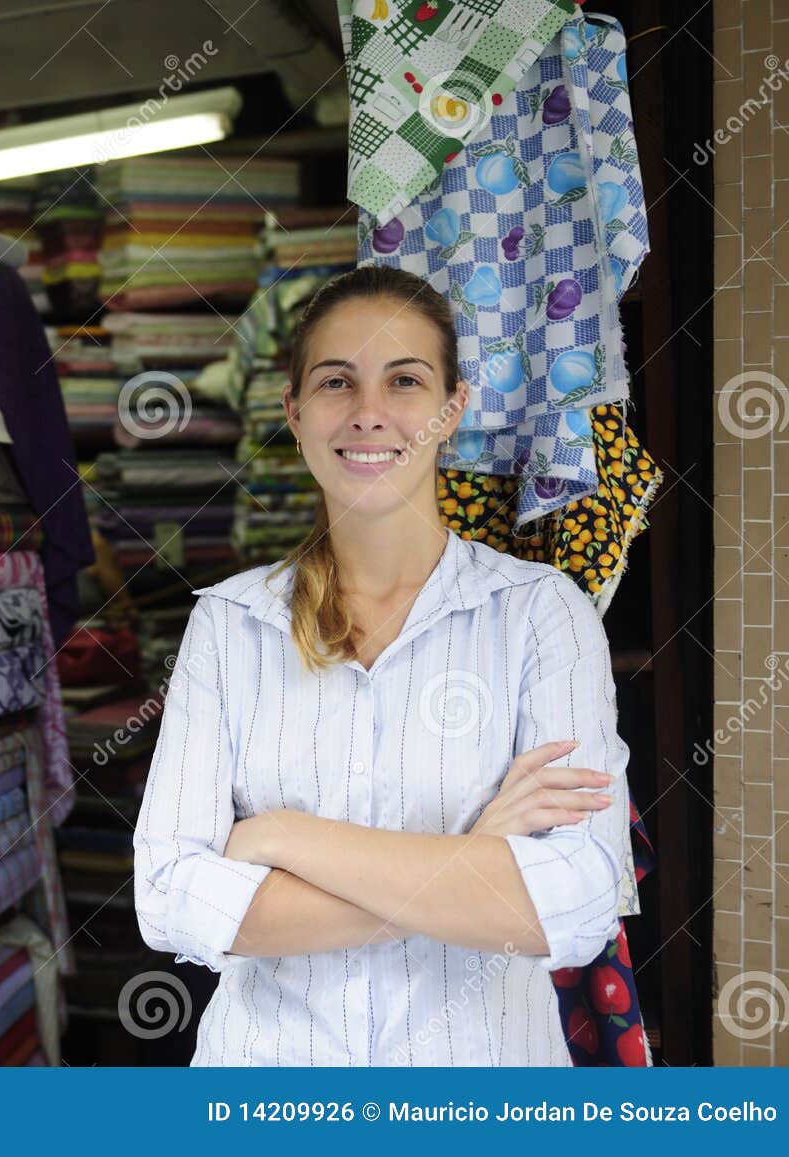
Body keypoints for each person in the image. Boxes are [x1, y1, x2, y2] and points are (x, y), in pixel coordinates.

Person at [132, 266, 631, 1065]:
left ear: (451, 408)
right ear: (294, 413)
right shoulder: (229, 625)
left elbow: (574, 904)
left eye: (405, 380)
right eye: (337, 382)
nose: (369, 414)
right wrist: (473, 861)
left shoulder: (541, 613)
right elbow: (170, 900)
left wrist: (280, 836)